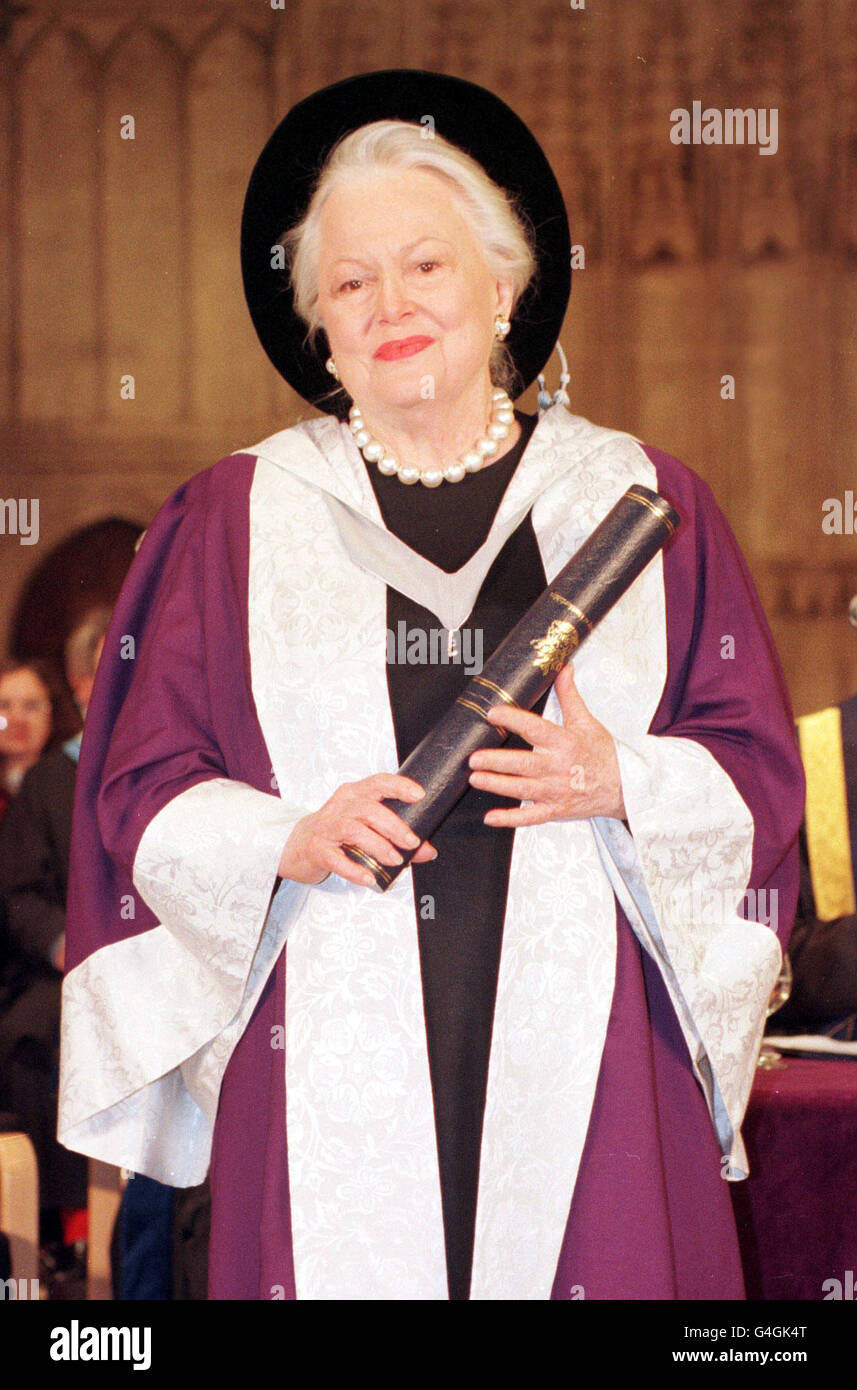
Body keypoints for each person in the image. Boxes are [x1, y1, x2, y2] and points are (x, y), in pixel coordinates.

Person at [58, 70, 804, 1301]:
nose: (389, 304)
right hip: (323, 1024)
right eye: (348, 283)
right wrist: (282, 837)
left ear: (504, 286)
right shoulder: (236, 517)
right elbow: (139, 782)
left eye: (426, 266)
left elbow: (755, 766)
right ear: (319, 325)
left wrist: (625, 778)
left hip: (592, 1033)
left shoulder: (638, 504)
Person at [0, 609, 110, 1284]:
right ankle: (61, 1232)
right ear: (79, 684)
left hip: (155, 972)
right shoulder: (52, 783)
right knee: (39, 1033)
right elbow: (18, 896)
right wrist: (69, 945)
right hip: (65, 974)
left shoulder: (173, 771)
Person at [0, 658, 57, 822]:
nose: (17, 719)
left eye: (31, 706)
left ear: (52, 716)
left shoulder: (72, 786)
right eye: (4, 705)